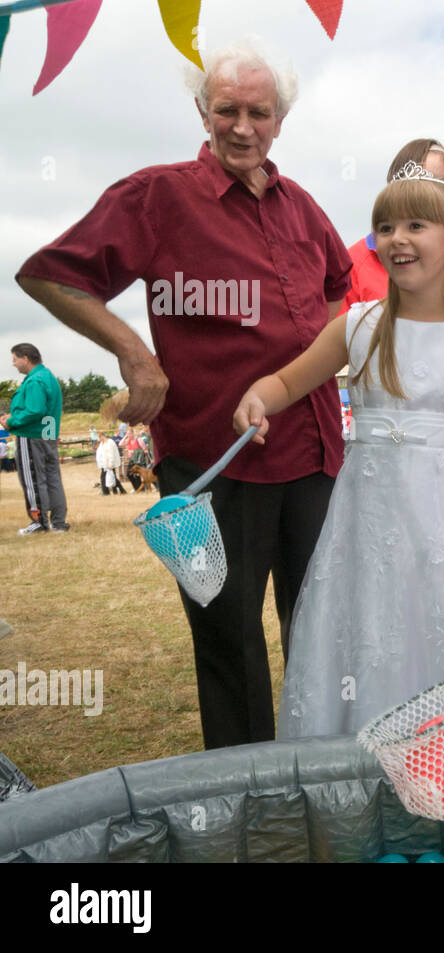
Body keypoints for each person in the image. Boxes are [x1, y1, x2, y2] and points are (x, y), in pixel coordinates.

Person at [16, 41, 352, 749]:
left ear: (279, 122)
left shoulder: (304, 206)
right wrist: (133, 352)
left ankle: (323, 782)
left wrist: (315, 369)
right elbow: (49, 274)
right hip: (211, 463)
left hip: (316, 453)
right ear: (202, 112)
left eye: (258, 112)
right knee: (228, 645)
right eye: (226, 109)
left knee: (322, 632)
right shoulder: (157, 195)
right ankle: (247, 803)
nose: (241, 126)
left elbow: (337, 293)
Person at [237, 169, 444, 737]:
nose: (397, 239)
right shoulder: (356, 326)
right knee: (374, 624)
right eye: (384, 227)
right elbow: (288, 383)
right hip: (371, 518)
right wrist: (258, 397)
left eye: (416, 225)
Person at [340, 138, 444, 314]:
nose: (431, 194)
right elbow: (340, 337)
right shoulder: (353, 263)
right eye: (422, 184)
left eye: (443, 184)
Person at [4, 344, 69, 534]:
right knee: (52, 478)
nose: (13, 364)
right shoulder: (48, 377)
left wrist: (12, 421)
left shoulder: (34, 381)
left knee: (32, 479)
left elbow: (35, 410)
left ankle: (39, 521)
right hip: (48, 434)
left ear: (25, 358)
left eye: (14, 359)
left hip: (32, 436)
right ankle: (58, 521)